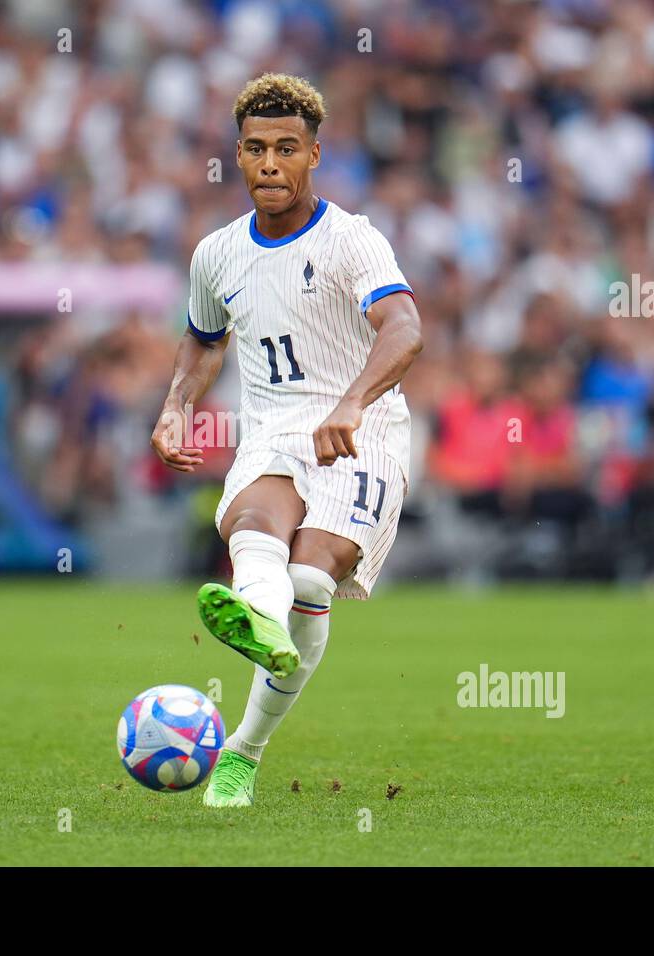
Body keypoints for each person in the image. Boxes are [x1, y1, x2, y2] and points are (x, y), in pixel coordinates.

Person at [150, 73, 424, 808]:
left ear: (313, 156)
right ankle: (263, 624)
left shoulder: (351, 239)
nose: (269, 163)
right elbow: (203, 341)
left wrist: (353, 401)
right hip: (272, 428)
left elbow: (405, 327)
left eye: (286, 149)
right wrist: (177, 403)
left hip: (360, 432)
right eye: (255, 149)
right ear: (238, 157)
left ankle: (244, 746)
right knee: (251, 525)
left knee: (308, 581)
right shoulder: (216, 254)